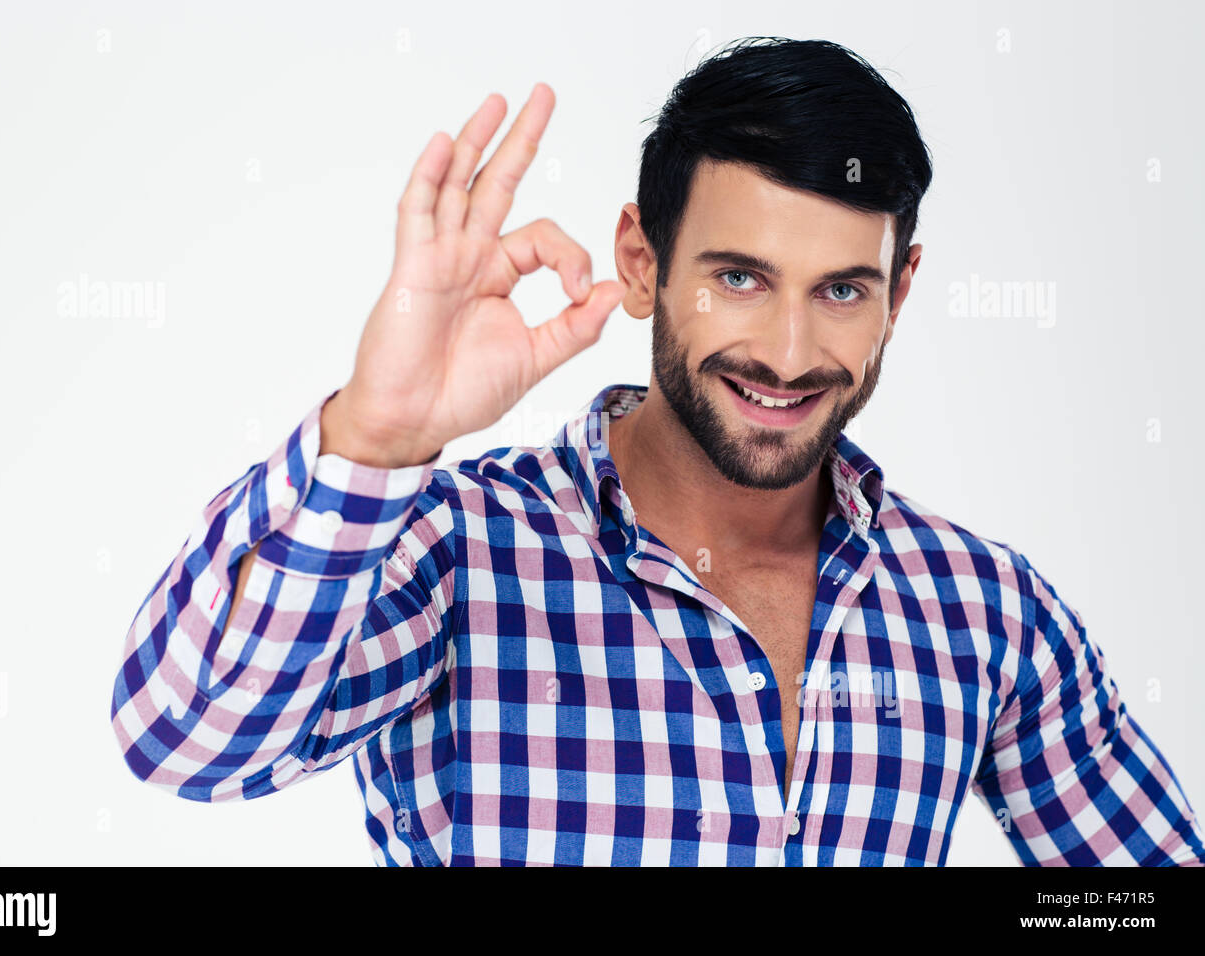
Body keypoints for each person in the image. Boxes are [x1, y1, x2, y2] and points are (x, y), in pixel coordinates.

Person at [109, 37, 1204, 866]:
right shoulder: (452, 551)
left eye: (839, 290)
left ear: (897, 294)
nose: (786, 352)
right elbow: (190, 741)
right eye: (738, 276)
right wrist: (374, 439)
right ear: (641, 261)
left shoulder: (980, 609)